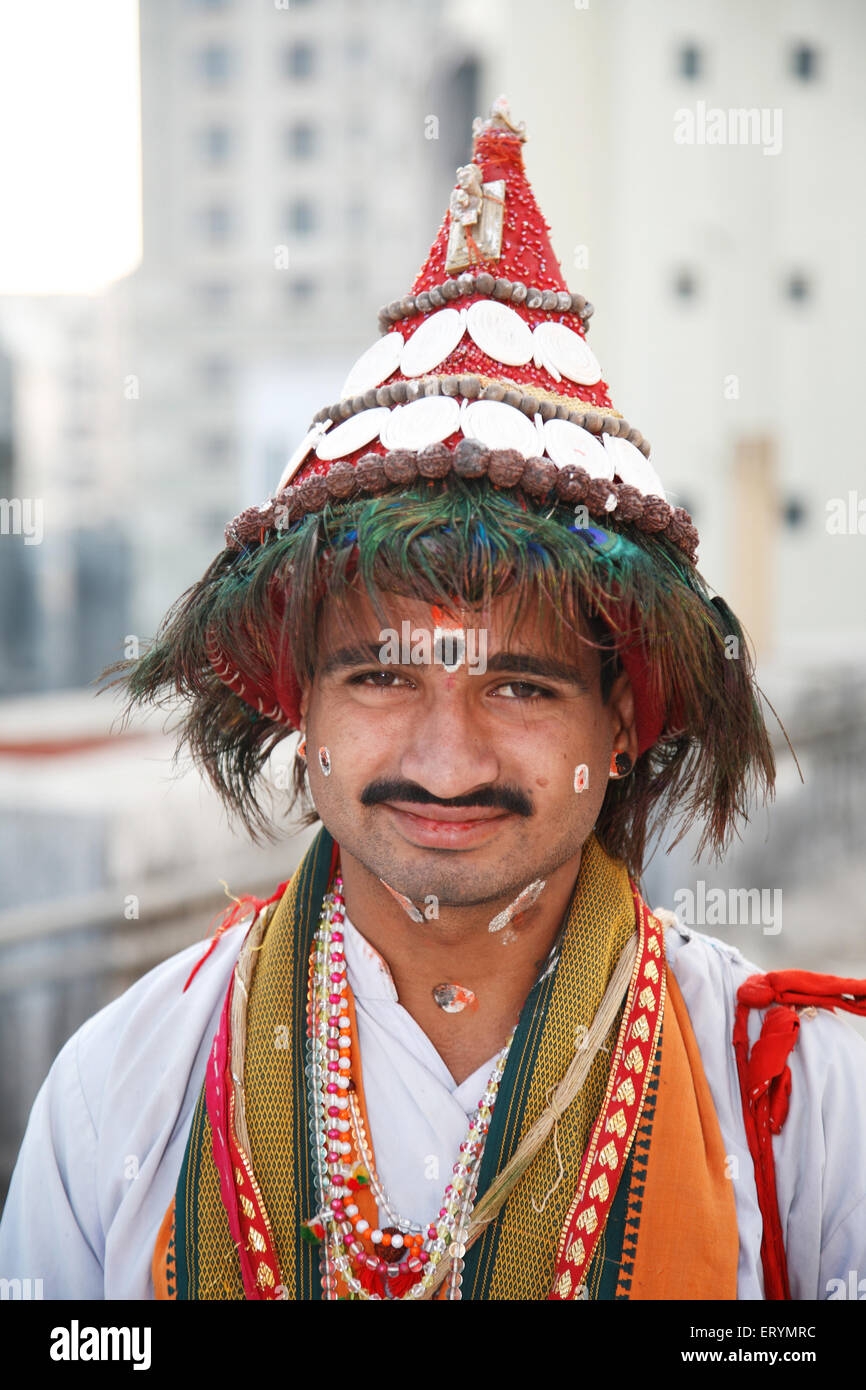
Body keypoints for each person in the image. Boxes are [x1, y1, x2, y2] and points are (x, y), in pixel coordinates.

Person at [1, 97, 864, 1302]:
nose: (446, 759)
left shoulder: (797, 1103)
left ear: (621, 727)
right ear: (301, 706)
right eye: (382, 676)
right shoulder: (122, 1089)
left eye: (519, 683)